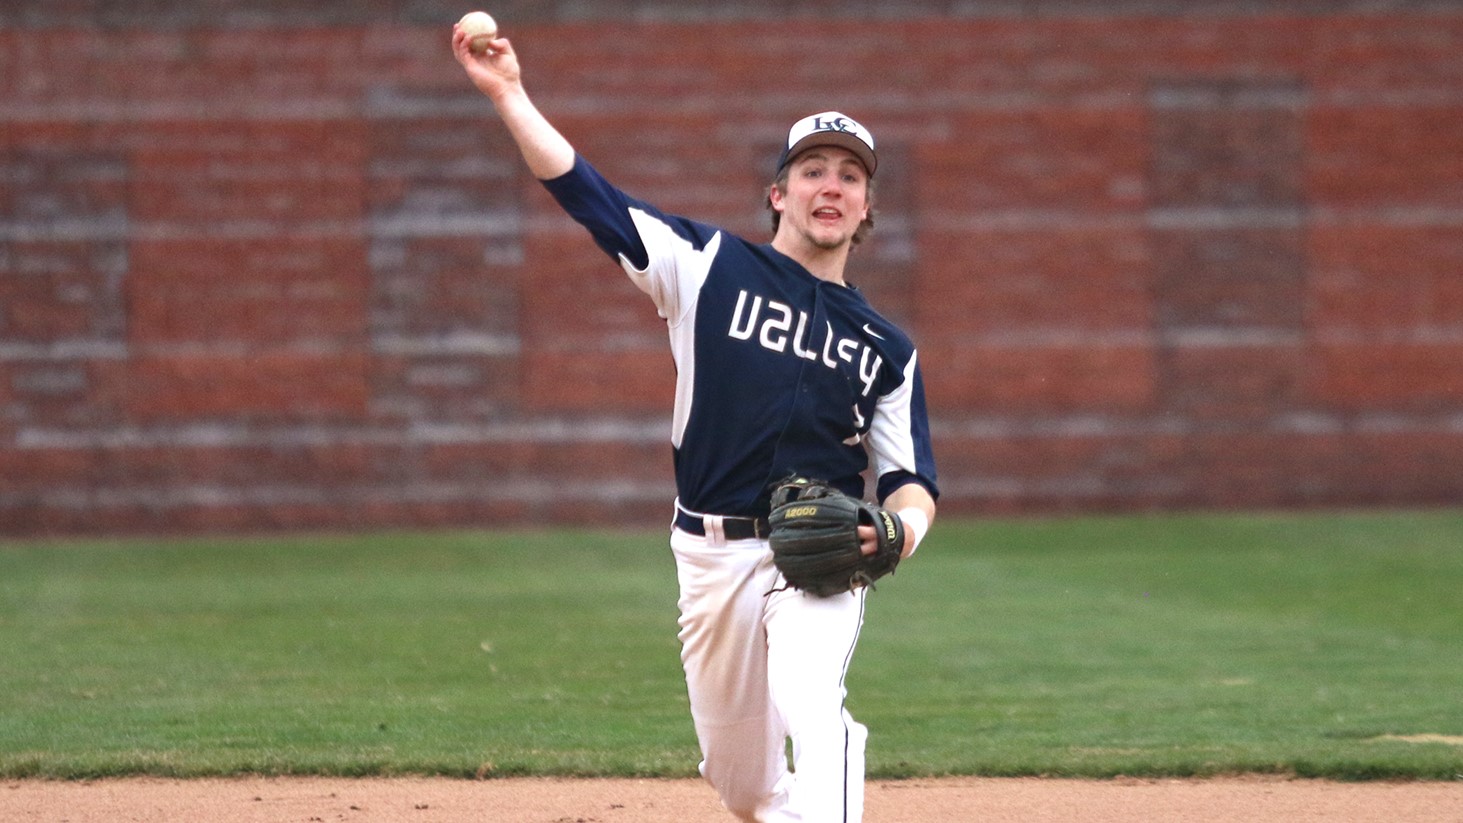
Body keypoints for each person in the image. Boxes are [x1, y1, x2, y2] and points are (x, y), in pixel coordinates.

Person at [453, 22, 938, 823]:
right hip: (708, 556)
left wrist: (897, 532)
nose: (831, 185)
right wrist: (508, 93)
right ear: (778, 193)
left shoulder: (887, 348)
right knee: (742, 787)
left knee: (815, 708)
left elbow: (910, 479)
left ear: (864, 209)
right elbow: (587, 193)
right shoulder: (707, 268)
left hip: (814, 551)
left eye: (849, 176)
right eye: (811, 168)